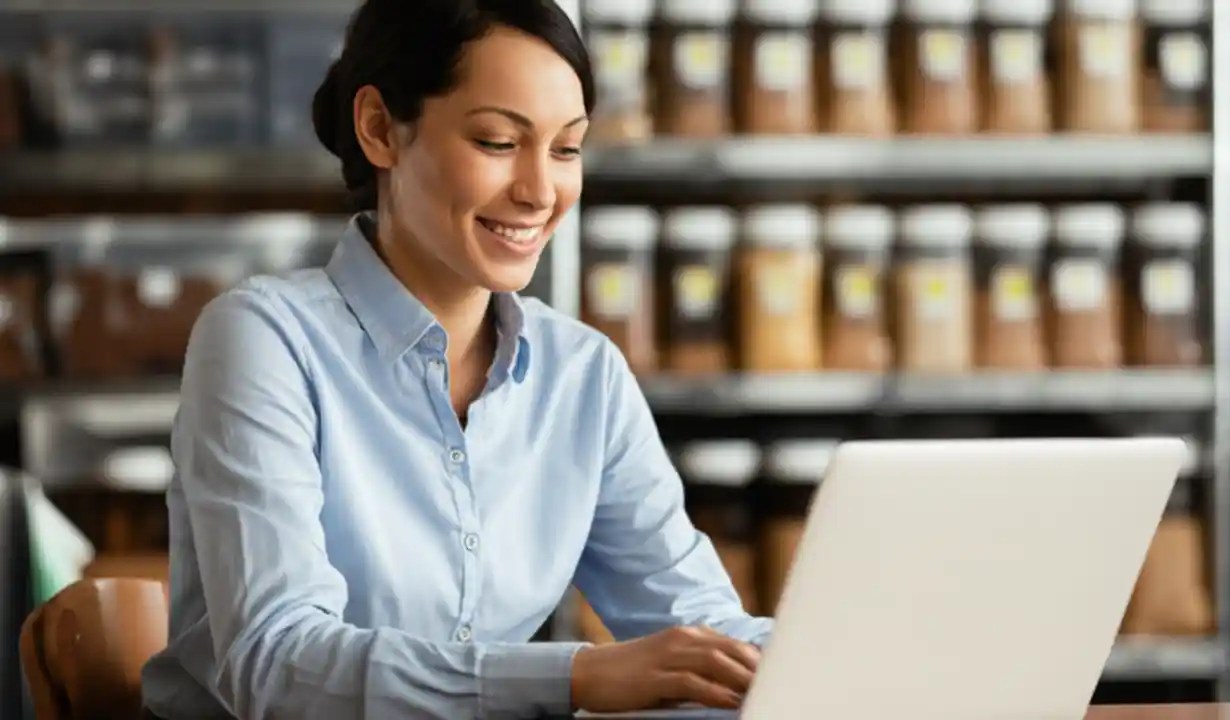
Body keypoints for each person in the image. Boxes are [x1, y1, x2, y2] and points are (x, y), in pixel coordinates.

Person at [139, 1, 771, 718]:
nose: (540, 192)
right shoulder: (263, 340)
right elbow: (279, 663)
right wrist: (576, 678)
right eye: (499, 142)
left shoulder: (582, 376)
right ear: (380, 129)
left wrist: (859, 655)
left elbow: (702, 633)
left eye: (567, 149)